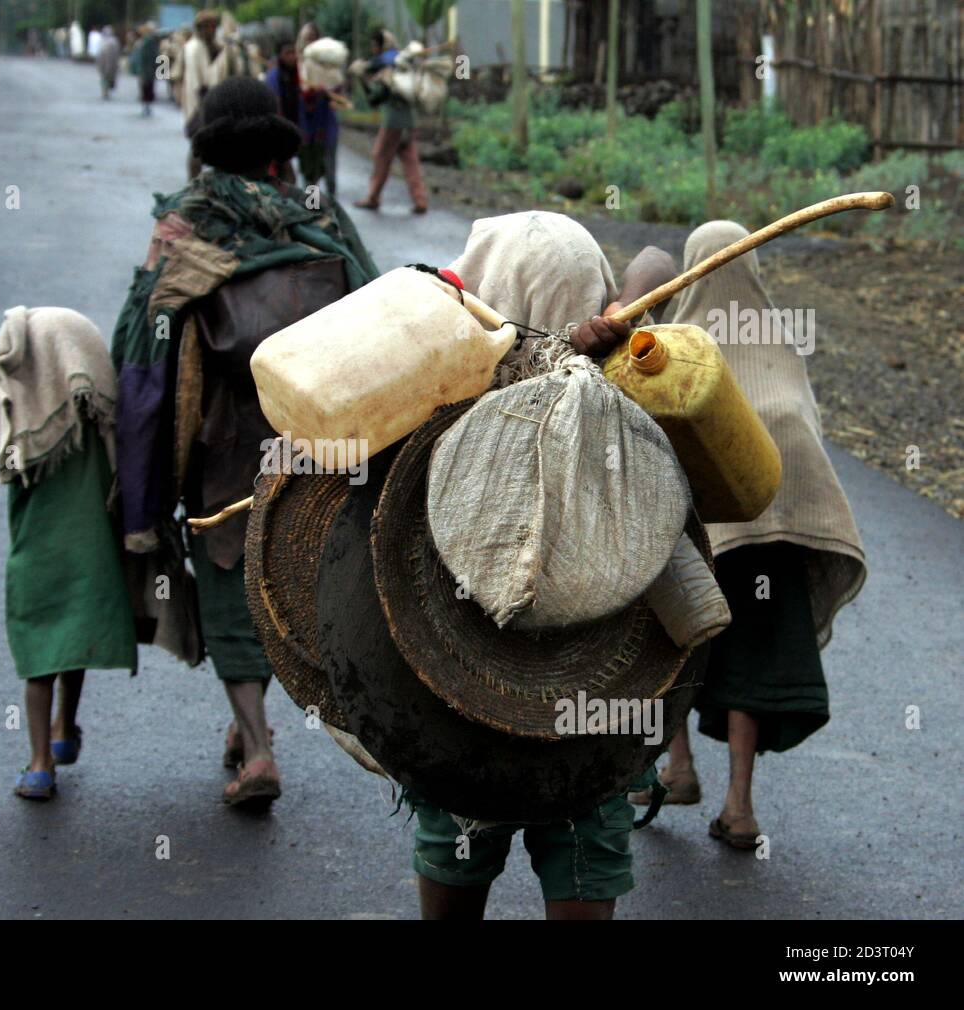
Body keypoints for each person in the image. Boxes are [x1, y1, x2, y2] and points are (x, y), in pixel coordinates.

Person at [401, 211, 677, 919]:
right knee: (584, 852)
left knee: (458, 854)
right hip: (596, 700)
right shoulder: (623, 392)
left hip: (460, 697)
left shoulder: (431, 389)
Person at [110, 77, 377, 807]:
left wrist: (141, 481)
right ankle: (252, 728)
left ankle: (257, 747)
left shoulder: (185, 225)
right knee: (283, 577)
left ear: (206, 148)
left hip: (222, 441)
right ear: (275, 149)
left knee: (229, 578)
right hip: (309, 439)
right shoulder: (315, 215)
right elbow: (380, 314)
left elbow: (143, 347)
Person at [626, 222, 866, 850]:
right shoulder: (779, 343)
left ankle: (674, 771)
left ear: (696, 270)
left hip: (707, 544)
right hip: (777, 547)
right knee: (755, 660)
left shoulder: (683, 350)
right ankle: (740, 807)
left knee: (675, 639)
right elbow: (804, 435)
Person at [0, 307, 137, 801]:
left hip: (37, 558)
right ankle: (65, 727)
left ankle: (41, 761)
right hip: (90, 556)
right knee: (71, 645)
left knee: (39, 658)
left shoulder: (26, 427)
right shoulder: (96, 423)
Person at [353, 29, 427, 214]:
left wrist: (362, 75)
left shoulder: (387, 66)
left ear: (379, 46)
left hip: (393, 122)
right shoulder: (403, 63)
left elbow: (375, 99)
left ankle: (373, 197)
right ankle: (420, 199)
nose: (373, 49)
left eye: (374, 45)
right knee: (410, 161)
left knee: (381, 157)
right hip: (409, 122)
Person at [293, 22, 345, 199]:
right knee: (310, 168)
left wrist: (327, 91)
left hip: (326, 120)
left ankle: (332, 203)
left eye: (313, 39)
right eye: (307, 39)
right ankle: (311, 207)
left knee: (329, 162)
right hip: (307, 122)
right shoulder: (298, 64)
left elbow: (337, 86)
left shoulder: (328, 65)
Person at [264, 36, 300, 182]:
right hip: (281, 132)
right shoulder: (274, 76)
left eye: (294, 52)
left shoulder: (299, 74)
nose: (292, 56)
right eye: (288, 53)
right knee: (286, 176)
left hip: (301, 131)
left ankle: (312, 204)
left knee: (311, 175)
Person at [129, 22, 160, 116]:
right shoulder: (147, 41)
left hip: (147, 70)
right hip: (147, 70)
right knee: (147, 88)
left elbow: (150, 57)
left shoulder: (148, 41)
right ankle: (147, 106)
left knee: (147, 88)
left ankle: (147, 106)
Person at [95, 25, 120, 99]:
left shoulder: (110, 42)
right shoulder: (113, 41)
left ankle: (105, 91)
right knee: (106, 78)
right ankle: (105, 91)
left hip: (107, 63)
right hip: (107, 63)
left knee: (106, 78)